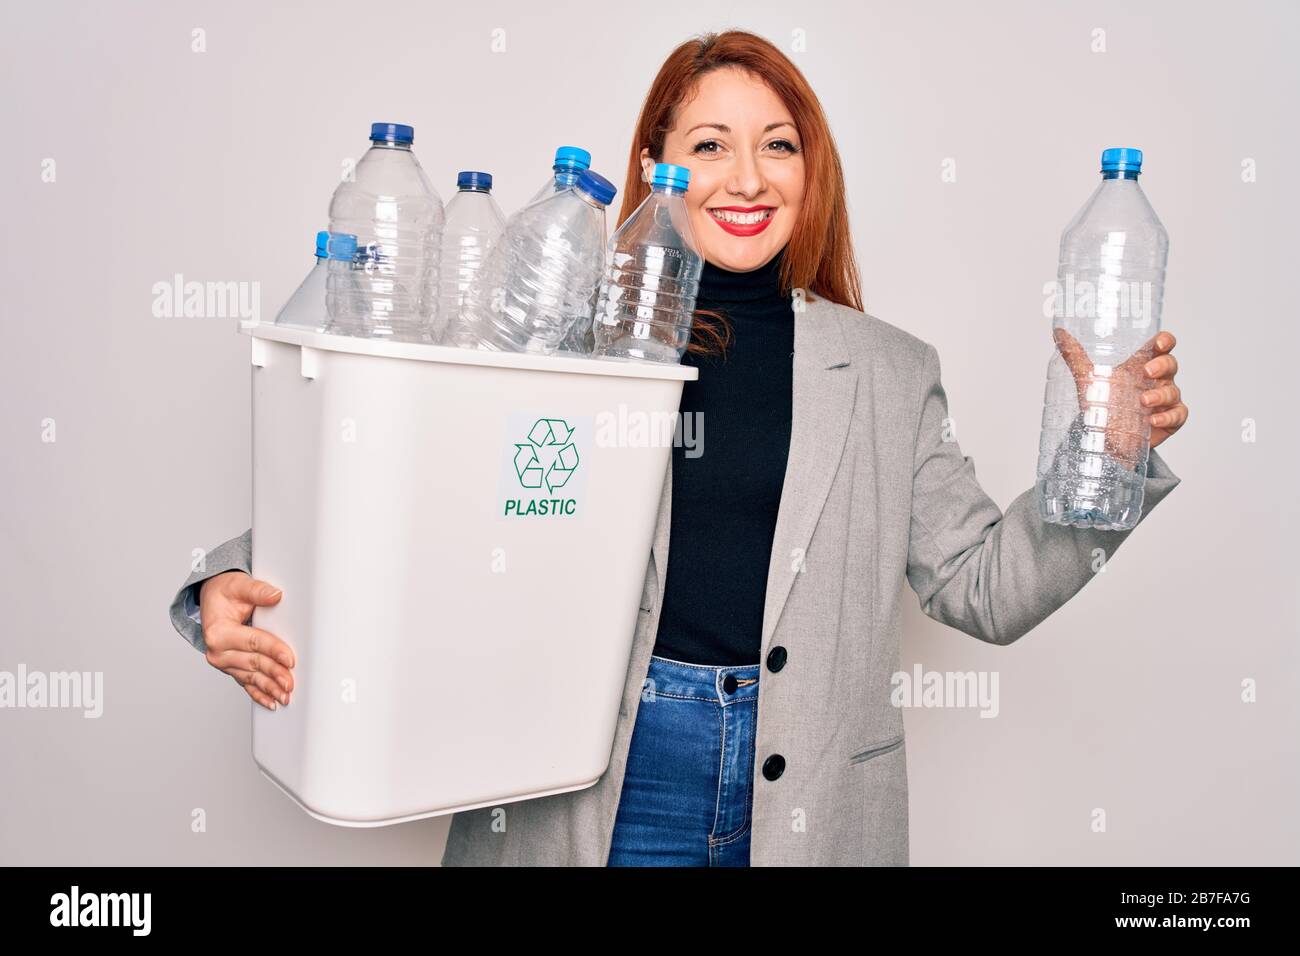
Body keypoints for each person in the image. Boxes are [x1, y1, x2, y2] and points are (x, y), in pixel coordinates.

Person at [168, 30, 1189, 866]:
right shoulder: (574, 342)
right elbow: (405, 490)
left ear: (811, 166)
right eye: (709, 145)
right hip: (601, 773)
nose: (745, 176)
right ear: (659, 165)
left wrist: (1105, 457)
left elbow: (983, 586)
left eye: (777, 144)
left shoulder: (888, 371)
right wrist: (230, 579)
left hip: (810, 804)